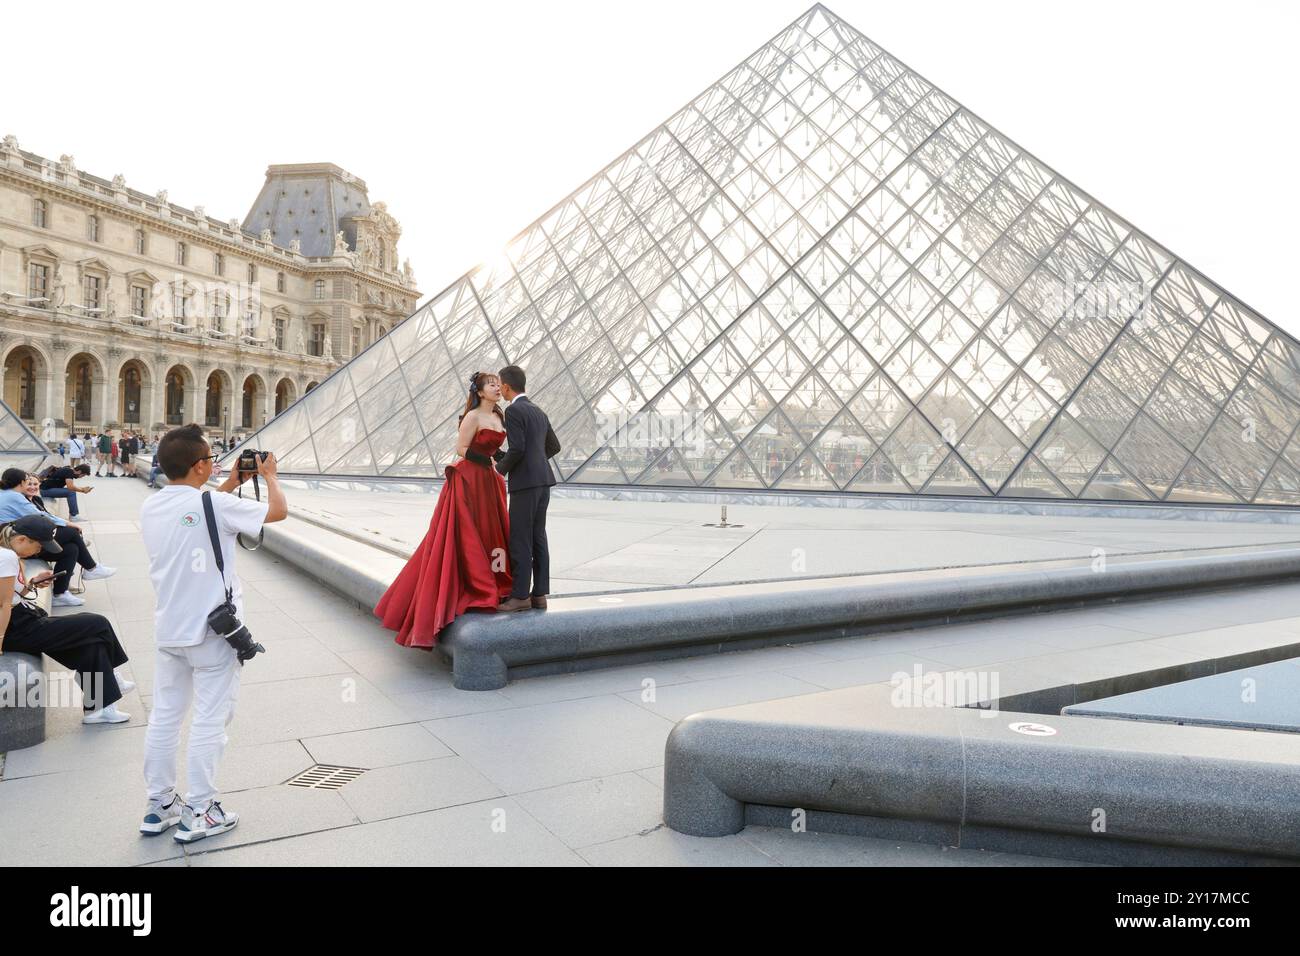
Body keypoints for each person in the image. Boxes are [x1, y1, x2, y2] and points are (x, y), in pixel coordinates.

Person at [139, 423, 286, 842]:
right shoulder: (214, 506)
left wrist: (230, 483)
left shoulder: (152, 506)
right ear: (200, 466)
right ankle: (201, 809)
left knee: (165, 718)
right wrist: (270, 477)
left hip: (169, 629)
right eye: (210, 460)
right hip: (213, 632)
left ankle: (160, 804)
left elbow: (195, 515)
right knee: (210, 720)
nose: (214, 465)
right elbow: (277, 513)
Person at [375, 372, 512, 647]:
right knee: (465, 536)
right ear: (480, 391)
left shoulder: (499, 416)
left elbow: (495, 450)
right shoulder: (472, 417)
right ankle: (476, 584)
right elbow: (461, 448)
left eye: (499, 384)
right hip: (469, 479)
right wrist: (488, 462)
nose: (498, 388)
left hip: (489, 480)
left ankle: (493, 579)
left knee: (489, 533)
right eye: (492, 385)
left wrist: (503, 461)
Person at [0, 515, 133, 723]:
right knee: (97, 623)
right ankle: (113, 676)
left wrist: (33, 583)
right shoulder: (5, 557)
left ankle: (98, 709)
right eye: (38, 546)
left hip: (22, 620)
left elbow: (11, 595)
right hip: (17, 627)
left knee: (92, 644)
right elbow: (3, 604)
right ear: (22, 539)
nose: (39, 551)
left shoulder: (10, 554)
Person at [0, 468, 115, 607]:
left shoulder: (6, 495)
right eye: (27, 481)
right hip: (16, 544)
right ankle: (91, 568)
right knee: (72, 533)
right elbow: (41, 516)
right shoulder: (13, 496)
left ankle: (60, 594)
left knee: (71, 549)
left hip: (14, 540)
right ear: (22, 482)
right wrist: (68, 523)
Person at [494, 365, 558, 612]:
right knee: (538, 536)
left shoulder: (514, 410)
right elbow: (554, 446)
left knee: (520, 538)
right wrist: (536, 461)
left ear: (507, 387)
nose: (500, 390)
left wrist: (499, 470)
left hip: (526, 484)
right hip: (544, 481)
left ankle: (520, 595)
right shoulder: (538, 410)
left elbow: (518, 448)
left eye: (500, 386)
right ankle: (539, 594)